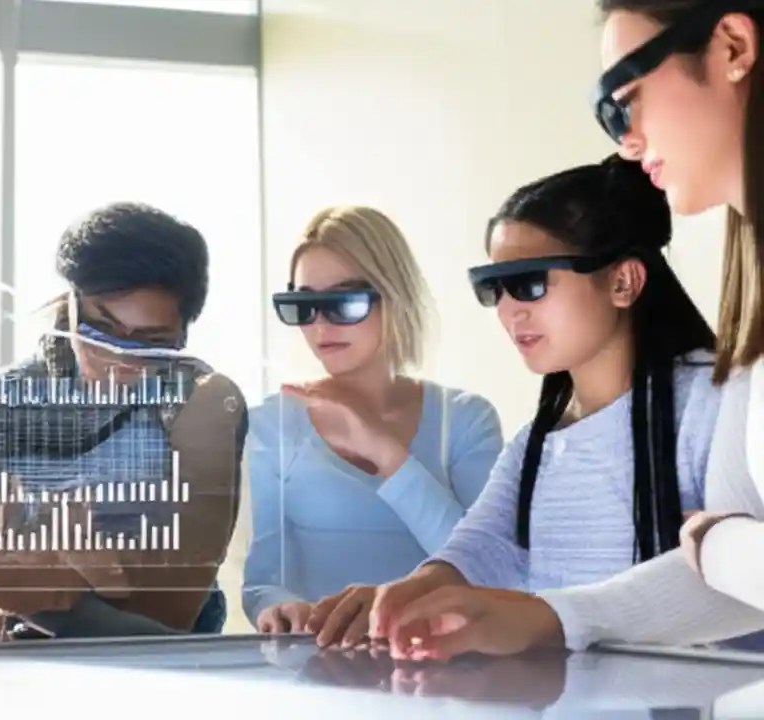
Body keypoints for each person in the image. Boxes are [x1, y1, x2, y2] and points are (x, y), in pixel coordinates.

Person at [364, 0, 764, 661]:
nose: (626, 140)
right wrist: (544, 614)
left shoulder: (704, 397)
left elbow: (722, 563)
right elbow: (714, 582)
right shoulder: (745, 338)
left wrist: (724, 546)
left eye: (622, 98)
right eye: (494, 289)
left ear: (730, 48)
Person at [309, 155, 732, 653]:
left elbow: (735, 577)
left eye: (529, 282)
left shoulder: (718, 402)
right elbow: (484, 546)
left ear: (623, 282)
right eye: (495, 287)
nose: (511, 309)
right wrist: (400, 597)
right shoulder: (537, 442)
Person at [0, 201, 246, 637]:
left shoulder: (205, 400)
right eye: (101, 331)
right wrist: (100, 570)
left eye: (151, 344)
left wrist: (42, 583)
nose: (119, 361)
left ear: (183, 335)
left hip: (164, 670)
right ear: (71, 308)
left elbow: (175, 604)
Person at [242, 206, 502, 638]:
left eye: (345, 302)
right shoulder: (270, 425)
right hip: (317, 669)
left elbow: (489, 570)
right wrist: (278, 608)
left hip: (438, 670)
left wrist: (386, 453)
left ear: (393, 294)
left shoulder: (464, 420)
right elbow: (262, 578)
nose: (320, 324)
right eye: (304, 306)